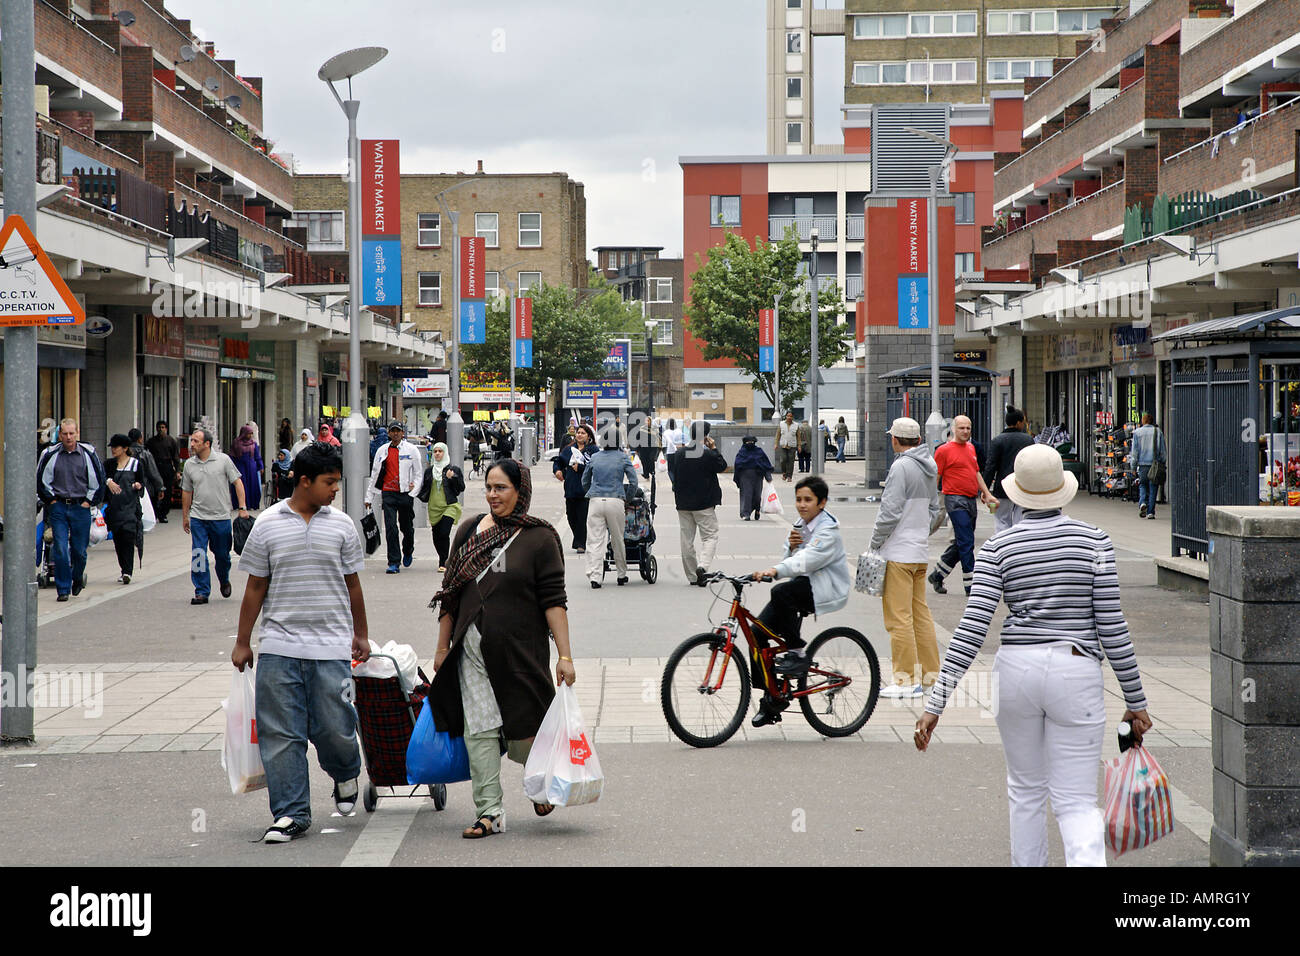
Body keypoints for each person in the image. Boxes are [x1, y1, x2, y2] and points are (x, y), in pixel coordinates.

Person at [915, 443, 1153, 867]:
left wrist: (937, 702)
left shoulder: (998, 549)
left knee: (1025, 790)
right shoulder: (1095, 542)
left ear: (1015, 493)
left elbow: (973, 629)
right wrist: (1135, 702)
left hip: (1017, 670)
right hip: (1075, 667)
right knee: (1076, 800)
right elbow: (1113, 627)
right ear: (1063, 488)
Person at [231, 441, 371, 844]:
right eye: (329, 483)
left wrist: (359, 634)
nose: (334, 491)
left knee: (336, 730)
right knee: (281, 734)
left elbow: (354, 586)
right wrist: (243, 642)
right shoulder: (268, 524)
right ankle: (291, 814)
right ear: (304, 481)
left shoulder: (342, 524)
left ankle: (345, 773)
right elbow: (256, 585)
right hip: (279, 646)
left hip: (331, 648)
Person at [428, 460, 575, 839]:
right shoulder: (467, 531)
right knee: (479, 730)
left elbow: (554, 601)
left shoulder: (539, 538)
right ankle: (490, 811)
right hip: (471, 650)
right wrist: (442, 647)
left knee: (526, 727)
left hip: (521, 653)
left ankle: (540, 781)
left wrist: (565, 655)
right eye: (489, 488)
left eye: (501, 488)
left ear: (520, 490)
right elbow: (450, 595)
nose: (493, 495)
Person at [748, 475, 850, 725]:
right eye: (798, 500)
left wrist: (775, 570)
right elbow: (792, 555)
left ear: (822, 502)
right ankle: (772, 698)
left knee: (781, 592)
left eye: (808, 500)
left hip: (824, 586)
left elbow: (809, 560)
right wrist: (791, 548)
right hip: (802, 584)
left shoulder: (828, 530)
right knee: (756, 634)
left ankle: (797, 652)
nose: (802, 505)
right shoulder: (800, 523)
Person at [869, 417, 943, 699]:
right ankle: (930, 676)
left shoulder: (900, 467)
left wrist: (875, 543)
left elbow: (889, 512)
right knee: (920, 615)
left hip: (898, 552)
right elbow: (936, 510)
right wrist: (921, 532)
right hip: (919, 553)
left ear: (896, 439)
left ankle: (905, 680)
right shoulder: (929, 466)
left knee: (898, 619)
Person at [36, 419, 106, 602]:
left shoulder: (87, 454)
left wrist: (88, 502)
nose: (68, 437)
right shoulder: (51, 454)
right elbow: (42, 480)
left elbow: (98, 480)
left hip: (80, 507)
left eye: (71, 433)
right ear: (60, 435)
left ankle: (77, 577)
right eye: (65, 433)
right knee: (59, 547)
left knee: (80, 552)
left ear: (77, 433)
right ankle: (63, 588)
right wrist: (50, 500)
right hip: (58, 506)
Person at [929, 415, 995, 597]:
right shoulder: (943, 451)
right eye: (962, 428)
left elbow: (975, 472)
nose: (965, 431)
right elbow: (936, 476)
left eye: (968, 428)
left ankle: (938, 574)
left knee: (962, 542)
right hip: (954, 499)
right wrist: (931, 501)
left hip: (970, 499)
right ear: (953, 429)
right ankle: (971, 585)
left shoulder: (971, 448)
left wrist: (986, 493)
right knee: (966, 543)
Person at [181, 428, 249, 605]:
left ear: (207, 444)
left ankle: (224, 579)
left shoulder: (223, 460)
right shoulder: (189, 464)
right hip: (198, 518)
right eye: (192, 440)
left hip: (221, 518)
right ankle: (201, 591)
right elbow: (187, 491)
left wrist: (242, 507)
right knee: (198, 553)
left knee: (222, 556)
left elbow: (238, 482)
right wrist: (185, 516)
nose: (192, 444)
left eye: (196, 441)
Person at [580, 426, 640, 588]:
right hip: (616, 500)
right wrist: (627, 499)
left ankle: (595, 576)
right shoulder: (623, 457)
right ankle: (621, 574)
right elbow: (634, 482)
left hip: (596, 501)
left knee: (595, 540)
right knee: (617, 538)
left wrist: (591, 492)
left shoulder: (595, 457)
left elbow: (585, 480)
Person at [671, 420, 727, 587]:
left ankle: (692, 576)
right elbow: (722, 466)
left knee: (686, 539)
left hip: (683, 503)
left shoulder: (679, 454)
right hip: (704, 503)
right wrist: (714, 449)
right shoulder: (708, 454)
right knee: (710, 536)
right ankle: (702, 566)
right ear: (706, 435)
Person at [364, 420, 424, 574]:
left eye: (398, 431)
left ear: (402, 433)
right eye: (393, 431)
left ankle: (408, 549)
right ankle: (394, 562)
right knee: (391, 528)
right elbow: (375, 475)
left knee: (406, 527)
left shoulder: (411, 450)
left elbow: (418, 474)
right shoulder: (382, 451)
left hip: (405, 494)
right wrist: (368, 498)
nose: (395, 433)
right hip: (388, 493)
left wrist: (412, 492)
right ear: (389, 433)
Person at [983, 406, 1036, 533]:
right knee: (1020, 519)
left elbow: (991, 466)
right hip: (1022, 486)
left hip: (1002, 488)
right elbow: (1033, 463)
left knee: (1001, 520)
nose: (1024, 424)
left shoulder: (997, 440)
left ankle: (1002, 545)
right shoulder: (1028, 440)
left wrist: (985, 490)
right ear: (1018, 423)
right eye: (1023, 422)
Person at [103, 435, 145, 585]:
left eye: (116, 447)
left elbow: (141, 481)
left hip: (130, 507)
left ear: (125, 448)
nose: (113, 450)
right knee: (118, 540)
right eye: (112, 447)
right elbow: (102, 477)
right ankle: (123, 569)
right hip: (114, 508)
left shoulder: (135, 464)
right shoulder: (109, 464)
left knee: (128, 537)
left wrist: (138, 485)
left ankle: (128, 571)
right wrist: (109, 482)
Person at [554, 423, 595, 553]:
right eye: (578, 433)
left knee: (582, 517)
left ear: (588, 436)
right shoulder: (569, 449)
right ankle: (579, 539)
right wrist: (557, 471)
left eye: (583, 433)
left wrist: (581, 468)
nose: (579, 435)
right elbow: (558, 461)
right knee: (571, 517)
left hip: (585, 490)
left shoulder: (593, 450)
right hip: (570, 488)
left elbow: (595, 467)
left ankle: (580, 544)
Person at [426, 442, 465, 573]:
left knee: (444, 533)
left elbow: (461, 488)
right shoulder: (429, 471)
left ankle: (444, 561)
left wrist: (452, 477)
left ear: (445, 453)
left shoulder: (453, 469)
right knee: (436, 536)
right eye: (435, 451)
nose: (437, 453)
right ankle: (442, 555)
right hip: (434, 508)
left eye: (440, 451)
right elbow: (423, 489)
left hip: (450, 506)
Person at [1131, 413, 1166, 520]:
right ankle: (1151, 512)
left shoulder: (1137, 433)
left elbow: (1135, 452)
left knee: (1142, 485)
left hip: (1142, 465)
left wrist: (1133, 466)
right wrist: (1163, 463)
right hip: (1154, 465)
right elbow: (1162, 450)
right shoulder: (1158, 432)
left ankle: (1142, 503)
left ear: (1143, 421)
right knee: (1153, 488)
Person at [144, 420, 180, 523]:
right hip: (155, 467)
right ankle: (154, 513)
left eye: (163, 427)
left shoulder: (171, 441)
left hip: (167, 467)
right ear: (156, 429)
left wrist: (177, 471)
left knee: (167, 491)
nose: (161, 429)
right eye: (159, 427)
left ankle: (163, 514)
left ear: (166, 429)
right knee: (155, 491)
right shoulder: (151, 442)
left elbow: (175, 457)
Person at [127, 427, 165, 521]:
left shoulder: (125, 453)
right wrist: (160, 488)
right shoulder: (145, 454)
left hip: (127, 486)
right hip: (145, 488)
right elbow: (153, 472)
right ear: (140, 439)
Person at [733, 435, 773, 520]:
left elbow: (765, 463)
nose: (750, 444)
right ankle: (746, 514)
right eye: (748, 442)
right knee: (746, 495)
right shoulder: (742, 452)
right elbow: (737, 465)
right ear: (744, 443)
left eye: (752, 442)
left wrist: (768, 475)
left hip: (758, 476)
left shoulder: (759, 451)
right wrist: (737, 478)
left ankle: (757, 510)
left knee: (757, 496)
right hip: (745, 477)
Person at [229, 424, 264, 512]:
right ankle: (241, 504)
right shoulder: (236, 443)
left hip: (251, 468)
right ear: (244, 433)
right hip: (240, 467)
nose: (250, 436)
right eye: (249, 433)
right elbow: (232, 456)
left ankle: (253, 504)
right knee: (242, 485)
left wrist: (260, 466)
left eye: (251, 433)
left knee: (252, 485)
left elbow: (257, 456)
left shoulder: (253, 443)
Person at [778, 411, 798, 482]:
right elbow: (778, 434)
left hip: (792, 445)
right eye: (788, 416)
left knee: (791, 462)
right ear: (786, 416)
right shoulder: (781, 424)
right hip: (783, 445)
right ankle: (784, 473)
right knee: (783, 459)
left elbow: (798, 437)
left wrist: (799, 446)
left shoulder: (796, 425)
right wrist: (775, 444)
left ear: (792, 417)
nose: (789, 417)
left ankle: (789, 476)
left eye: (790, 416)